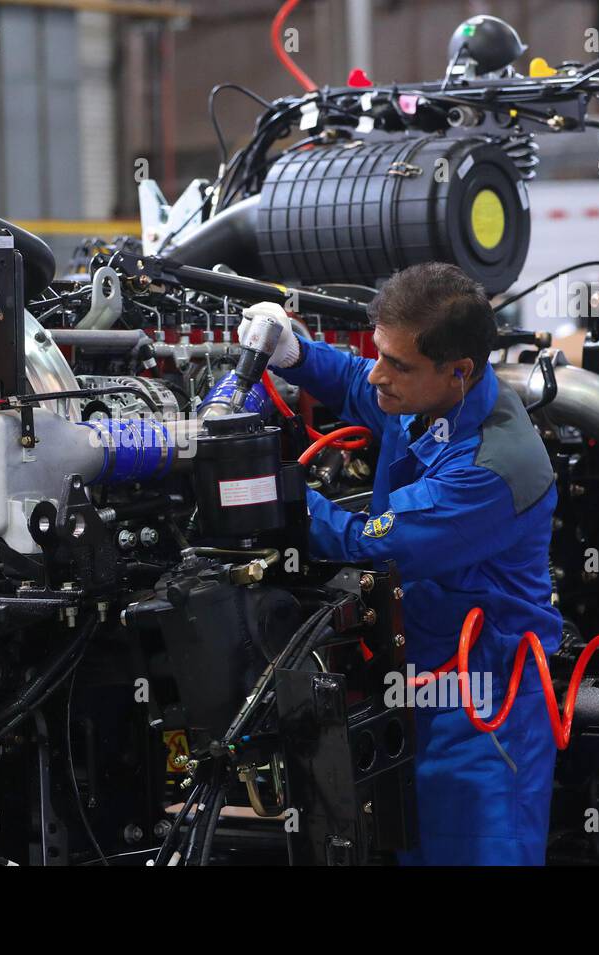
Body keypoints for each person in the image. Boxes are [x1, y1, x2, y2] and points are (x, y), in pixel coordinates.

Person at [239, 261, 561, 865]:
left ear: (458, 371)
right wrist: (295, 354)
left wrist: (266, 484)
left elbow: (369, 543)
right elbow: (361, 383)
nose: (379, 373)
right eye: (379, 352)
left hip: (482, 711)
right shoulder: (422, 396)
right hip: (406, 687)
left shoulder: (493, 466)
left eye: (397, 363)